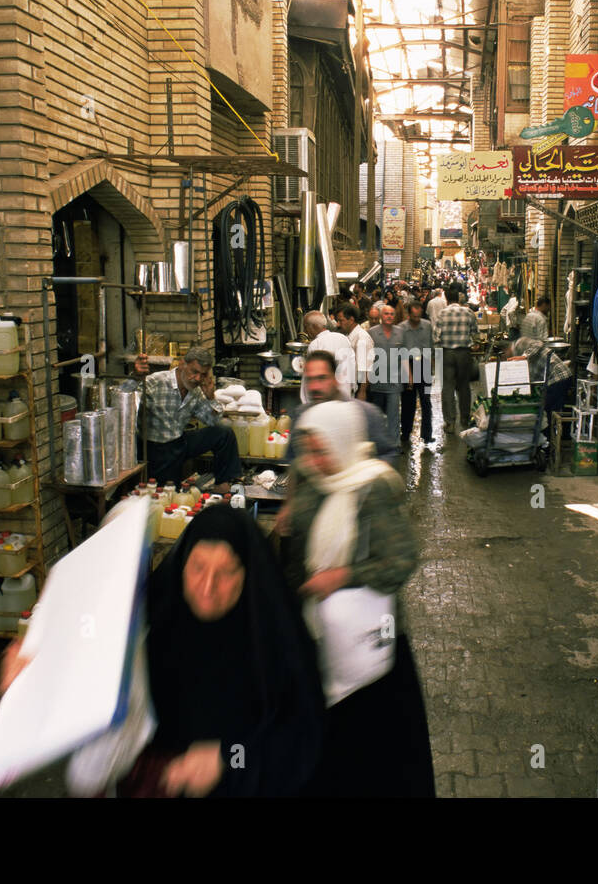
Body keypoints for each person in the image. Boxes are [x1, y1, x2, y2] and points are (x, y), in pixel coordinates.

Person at [122, 505, 326, 797]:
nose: (207, 587)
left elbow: (299, 737)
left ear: (248, 575)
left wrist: (229, 757)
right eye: (198, 567)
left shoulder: (276, 645)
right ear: (182, 564)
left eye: (226, 571)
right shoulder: (159, 627)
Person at [285, 402, 435, 797]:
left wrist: (343, 576)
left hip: (374, 648)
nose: (315, 459)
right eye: (309, 449)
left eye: (322, 449)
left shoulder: (374, 487)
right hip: (324, 641)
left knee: (378, 757)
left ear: (343, 441)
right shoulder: (311, 480)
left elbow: (402, 560)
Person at [135, 346, 241, 490]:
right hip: (156, 450)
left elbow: (212, 421)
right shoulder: (155, 381)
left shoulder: (195, 390)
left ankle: (222, 485)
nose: (197, 378)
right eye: (194, 372)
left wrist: (211, 398)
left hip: (179, 443)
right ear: (182, 364)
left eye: (203, 375)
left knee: (224, 433)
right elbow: (126, 399)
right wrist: (134, 376)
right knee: (169, 491)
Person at [436, 286, 478, 434]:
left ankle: (450, 422)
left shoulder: (442, 314)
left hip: (447, 353)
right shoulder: (468, 312)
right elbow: (475, 333)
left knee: (447, 388)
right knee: (464, 387)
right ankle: (464, 421)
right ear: (459, 298)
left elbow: (436, 335)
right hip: (464, 353)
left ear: (447, 298)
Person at [507, 336, 573, 427]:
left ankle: (550, 437)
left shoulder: (519, 343)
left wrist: (525, 356)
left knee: (548, 410)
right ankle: (553, 435)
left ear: (506, 349)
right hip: (555, 380)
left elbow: (539, 343)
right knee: (551, 409)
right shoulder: (516, 360)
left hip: (558, 377)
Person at [367, 303, 406, 446]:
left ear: (394, 316)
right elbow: (368, 357)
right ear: (381, 316)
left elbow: (405, 355)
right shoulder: (372, 332)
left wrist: (409, 376)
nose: (389, 316)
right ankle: (377, 443)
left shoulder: (400, 332)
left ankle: (394, 444)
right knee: (376, 414)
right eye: (386, 314)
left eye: (391, 314)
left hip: (395, 381)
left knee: (394, 415)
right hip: (376, 380)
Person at [298, 310, 356, 403]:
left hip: (323, 399)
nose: (305, 331)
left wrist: (306, 402)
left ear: (313, 326)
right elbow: (352, 365)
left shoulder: (315, 344)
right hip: (346, 396)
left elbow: (308, 377)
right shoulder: (343, 339)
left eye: (305, 327)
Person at [399, 301, 435, 446]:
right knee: (408, 402)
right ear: (409, 314)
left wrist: (432, 368)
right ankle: (406, 433)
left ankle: (427, 435)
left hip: (424, 365)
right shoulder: (401, 328)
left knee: (426, 401)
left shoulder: (427, 326)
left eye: (418, 316)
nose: (416, 319)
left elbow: (432, 347)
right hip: (408, 365)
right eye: (413, 317)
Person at [333, 301, 373, 401]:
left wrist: (362, 392)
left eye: (341, 320)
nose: (338, 324)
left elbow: (366, 369)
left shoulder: (362, 338)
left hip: (358, 389)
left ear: (351, 319)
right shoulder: (348, 335)